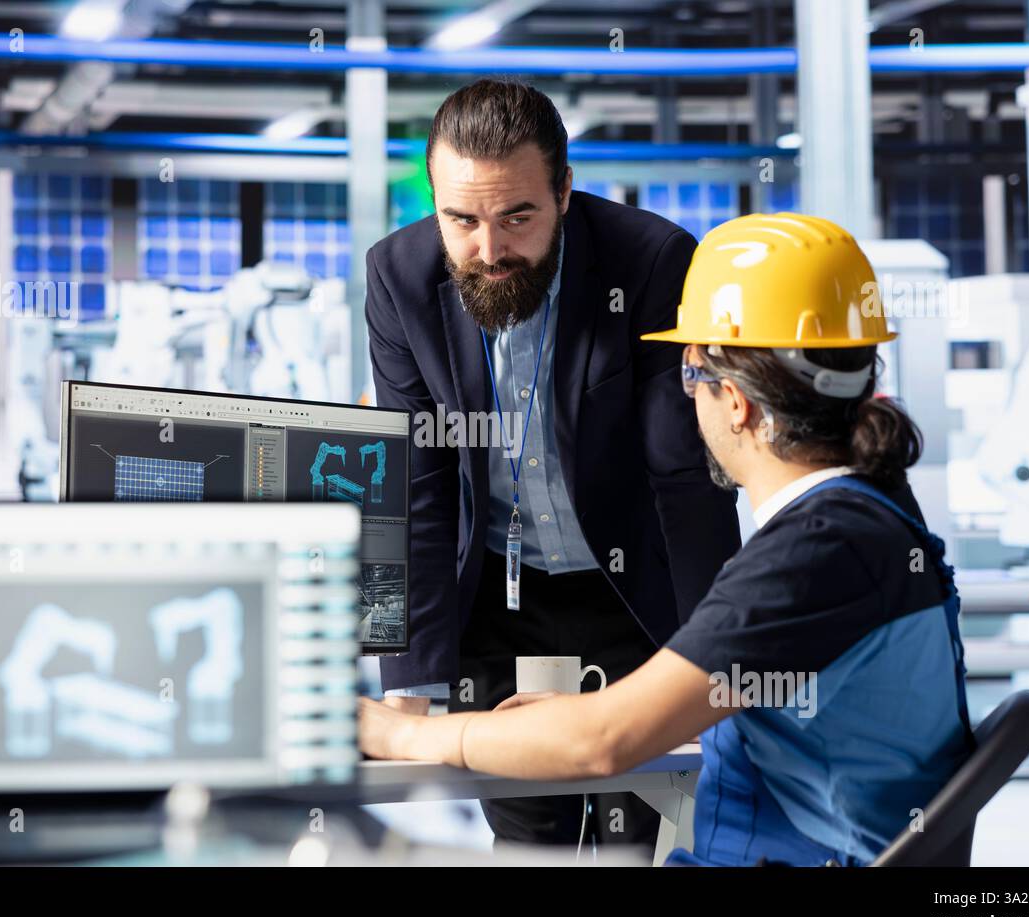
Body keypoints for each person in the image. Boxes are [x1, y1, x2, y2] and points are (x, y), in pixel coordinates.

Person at [359, 212, 976, 867]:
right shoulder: (877, 515)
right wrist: (600, 711)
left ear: (734, 401)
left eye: (688, 374)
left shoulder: (809, 556)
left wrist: (398, 734)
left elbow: (602, 745)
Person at [364, 79, 740, 851]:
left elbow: (681, 482)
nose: (489, 250)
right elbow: (415, 488)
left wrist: (710, 661)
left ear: (564, 191)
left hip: (629, 592)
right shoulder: (398, 277)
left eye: (517, 217)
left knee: (640, 832)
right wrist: (407, 686)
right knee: (529, 839)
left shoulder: (652, 261)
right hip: (496, 602)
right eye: (461, 219)